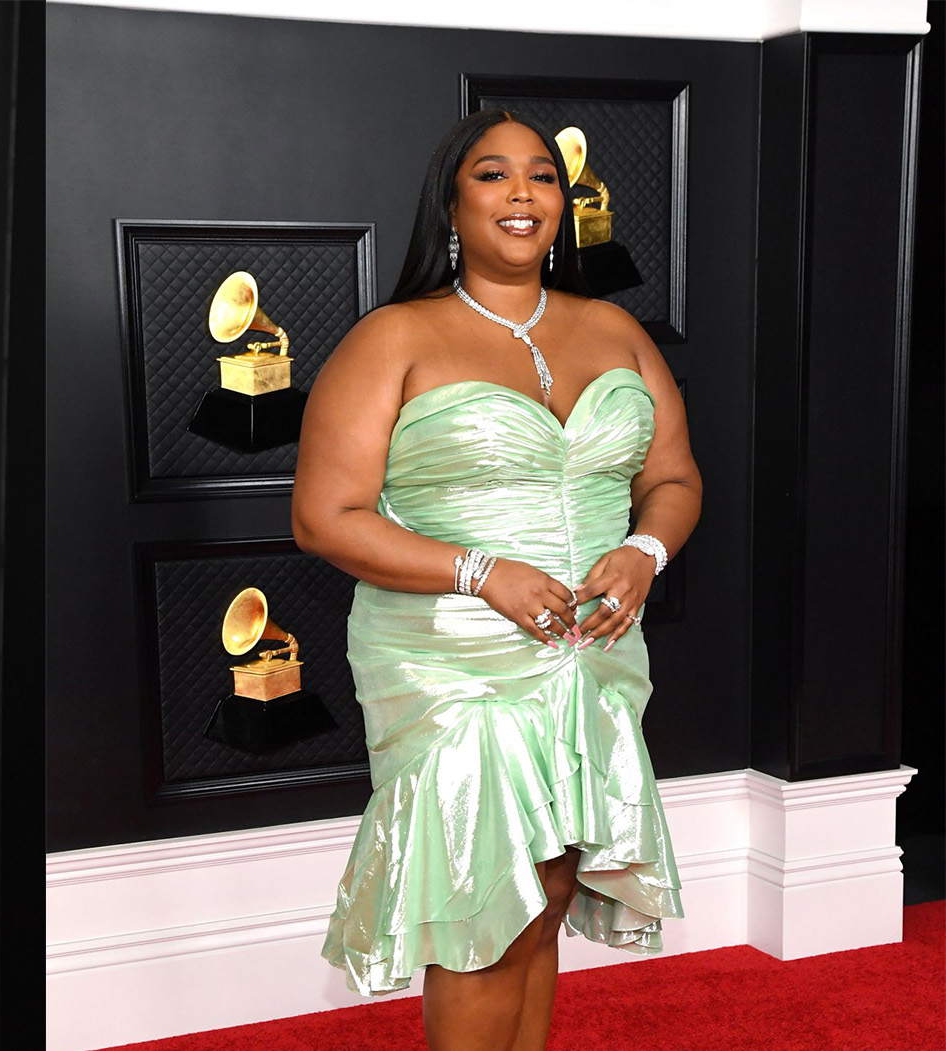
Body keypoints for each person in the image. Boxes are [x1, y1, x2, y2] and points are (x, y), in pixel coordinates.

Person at [294, 109, 699, 1051]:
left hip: (590, 652)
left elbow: (675, 479)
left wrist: (645, 552)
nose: (523, 192)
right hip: (453, 658)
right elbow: (323, 516)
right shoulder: (393, 337)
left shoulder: (616, 330)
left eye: (542, 175)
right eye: (492, 174)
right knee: (482, 905)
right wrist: (478, 572)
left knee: (547, 887)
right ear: (450, 203)